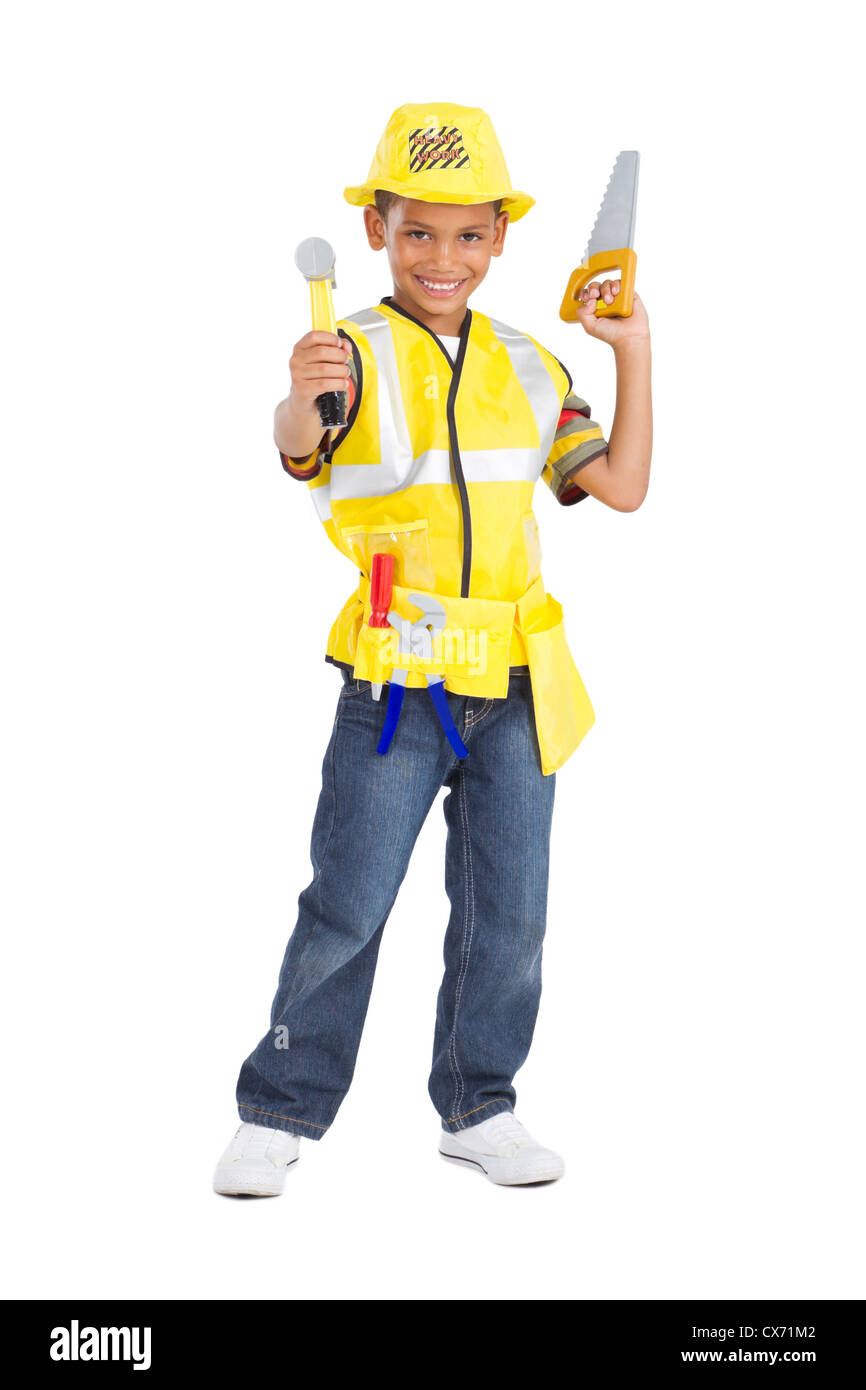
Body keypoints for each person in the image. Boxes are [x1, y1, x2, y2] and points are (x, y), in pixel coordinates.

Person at [214, 103, 652, 1194]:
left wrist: (630, 348)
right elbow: (299, 439)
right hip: (398, 685)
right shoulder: (347, 350)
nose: (442, 257)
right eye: (417, 231)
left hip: (515, 684)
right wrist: (299, 401)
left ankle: (479, 1104)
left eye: (467, 235)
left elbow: (623, 486)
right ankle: (278, 1107)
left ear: (500, 237)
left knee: (510, 914)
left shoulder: (533, 364)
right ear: (376, 231)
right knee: (348, 903)